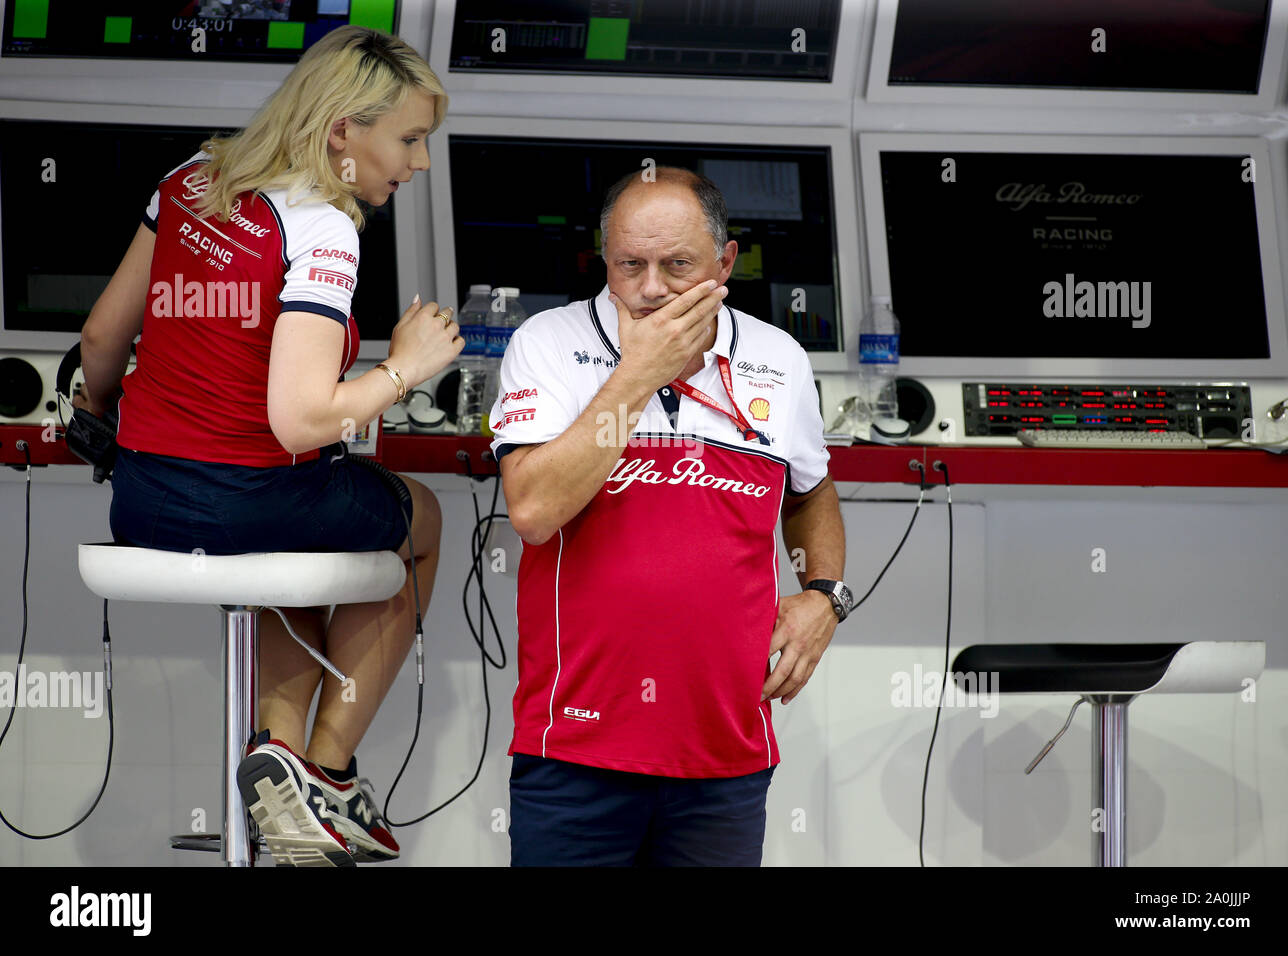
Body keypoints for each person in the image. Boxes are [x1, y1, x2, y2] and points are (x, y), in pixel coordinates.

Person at [74, 26, 461, 866]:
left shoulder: (187, 180)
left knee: (307, 528)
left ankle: (277, 774)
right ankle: (327, 771)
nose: (419, 162)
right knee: (419, 522)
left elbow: (102, 336)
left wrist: (97, 417)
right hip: (254, 496)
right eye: (408, 139)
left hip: (141, 499)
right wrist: (405, 368)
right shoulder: (323, 225)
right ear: (340, 134)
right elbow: (301, 419)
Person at [488, 167, 850, 866]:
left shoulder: (780, 358)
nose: (651, 287)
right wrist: (638, 373)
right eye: (630, 265)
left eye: (677, 265)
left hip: (725, 752)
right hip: (577, 745)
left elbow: (809, 491)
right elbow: (532, 511)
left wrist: (824, 595)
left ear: (726, 261)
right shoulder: (548, 344)